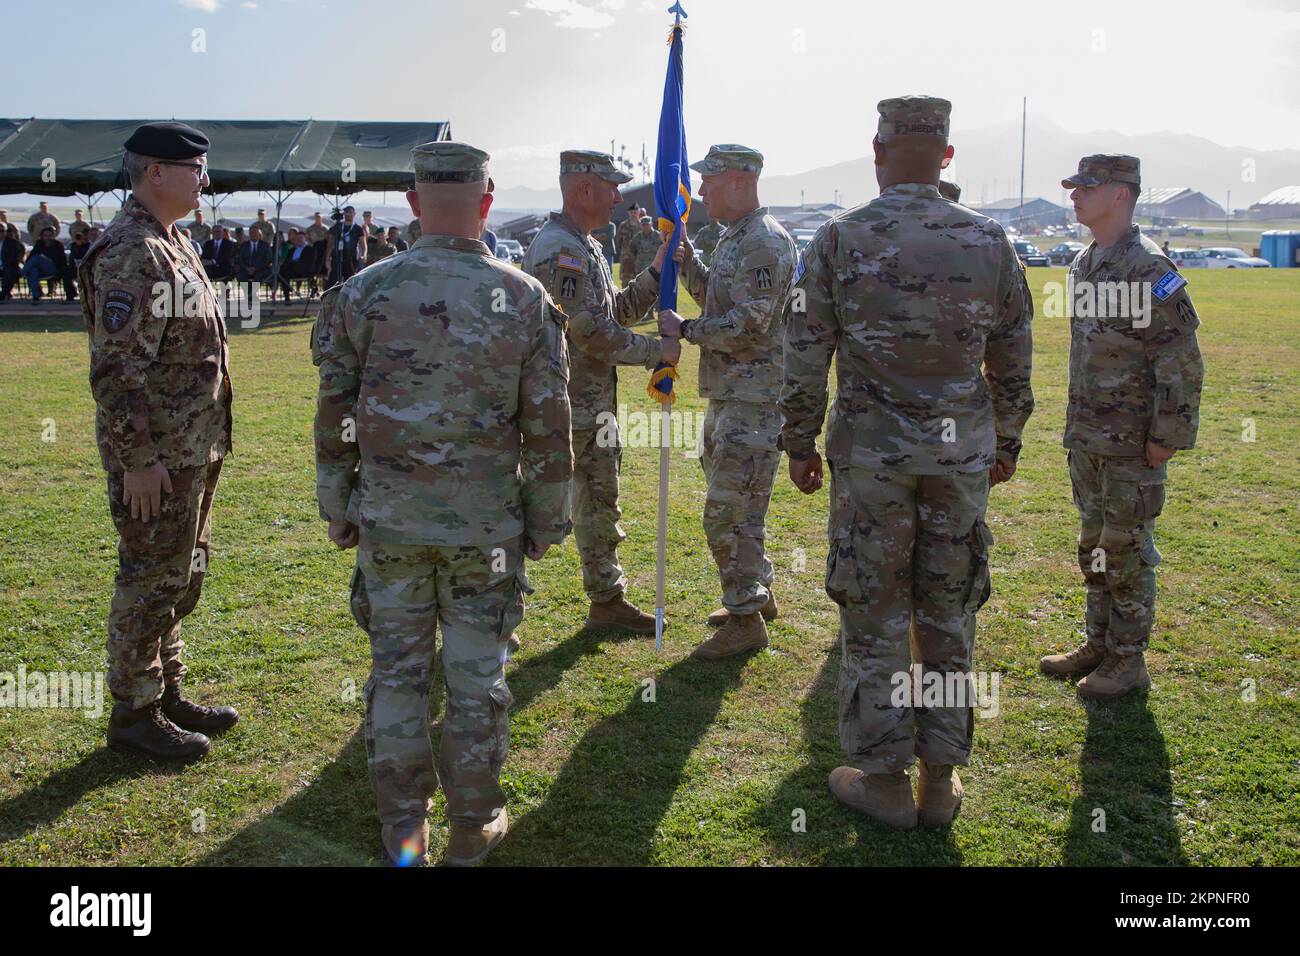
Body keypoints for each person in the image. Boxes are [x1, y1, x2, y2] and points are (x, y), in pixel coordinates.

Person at [313, 141, 571, 866]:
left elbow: (335, 410)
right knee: (475, 674)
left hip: (390, 522)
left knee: (397, 676)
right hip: (485, 528)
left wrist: (337, 498)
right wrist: (549, 517)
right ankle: (471, 826)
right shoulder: (522, 297)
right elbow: (550, 425)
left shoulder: (363, 292)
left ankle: (404, 829)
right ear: (487, 202)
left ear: (415, 202)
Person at [780, 96, 1034, 829]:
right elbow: (1014, 355)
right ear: (947, 155)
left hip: (872, 459)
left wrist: (799, 441)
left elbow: (804, 353)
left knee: (877, 611)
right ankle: (939, 779)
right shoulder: (990, 241)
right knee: (949, 613)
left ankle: (886, 781)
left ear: (878, 151)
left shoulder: (839, 239)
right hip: (959, 461)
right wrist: (1006, 439)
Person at [77, 121, 238, 762]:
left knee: (179, 573)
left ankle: (165, 689)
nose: (204, 181)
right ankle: (134, 714)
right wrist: (139, 462)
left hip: (192, 447)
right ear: (155, 174)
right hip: (158, 458)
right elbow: (117, 374)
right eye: (195, 170)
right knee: (150, 576)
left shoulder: (171, 242)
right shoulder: (130, 253)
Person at [1039, 155, 1203, 700]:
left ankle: (1129, 661)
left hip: (1134, 440)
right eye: (1074, 187)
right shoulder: (1086, 261)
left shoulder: (1148, 267)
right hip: (1088, 435)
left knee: (1127, 547)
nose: (1075, 195)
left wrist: (1168, 433)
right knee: (1095, 543)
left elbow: (1179, 358)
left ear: (1121, 194)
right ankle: (1099, 645)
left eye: (1087, 187)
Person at [522, 150, 677, 633]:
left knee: (600, 505)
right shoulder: (558, 251)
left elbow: (614, 314)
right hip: (564, 411)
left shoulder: (585, 245)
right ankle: (491, 617)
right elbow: (588, 332)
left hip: (592, 408)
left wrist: (655, 271)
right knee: (536, 513)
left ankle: (607, 599)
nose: (618, 196)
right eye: (610, 187)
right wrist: (658, 352)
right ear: (583, 189)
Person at [657, 144, 796, 659]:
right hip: (731, 396)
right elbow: (721, 301)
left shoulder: (762, 241)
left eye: (710, 181)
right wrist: (688, 263)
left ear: (739, 181)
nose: (702, 191)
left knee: (725, 512)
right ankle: (756, 596)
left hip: (754, 400)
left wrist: (687, 330)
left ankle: (744, 618)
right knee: (741, 510)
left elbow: (750, 321)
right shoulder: (736, 238)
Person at [22, 226, 74, 302]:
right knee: (33, 270)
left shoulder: (58, 245)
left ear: (53, 236)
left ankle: (22, 272)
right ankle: (36, 296)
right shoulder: (39, 245)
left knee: (37, 258)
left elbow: (62, 261)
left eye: (50, 235)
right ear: (42, 237)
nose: (48, 238)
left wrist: (48, 259)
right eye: (45, 236)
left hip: (53, 269)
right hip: (40, 269)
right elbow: (29, 259)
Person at [326, 206, 366, 284]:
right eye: (346, 212)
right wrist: (327, 258)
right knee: (334, 279)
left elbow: (363, 244)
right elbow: (330, 244)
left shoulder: (358, 228)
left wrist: (364, 254)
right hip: (337, 256)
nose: (348, 214)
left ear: (354, 214)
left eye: (350, 212)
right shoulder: (337, 227)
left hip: (351, 256)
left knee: (350, 279)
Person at [235, 224, 273, 289]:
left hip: (260, 269)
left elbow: (268, 260)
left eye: (255, 232)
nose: (253, 234)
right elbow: (241, 260)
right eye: (251, 233)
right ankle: (249, 295)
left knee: (258, 277)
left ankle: (252, 295)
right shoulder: (244, 245)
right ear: (249, 234)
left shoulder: (265, 245)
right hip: (247, 269)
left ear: (259, 234)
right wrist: (247, 268)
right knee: (240, 276)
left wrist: (256, 268)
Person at [615, 204, 640, 285]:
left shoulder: (643, 226)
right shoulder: (623, 225)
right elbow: (619, 241)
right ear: (628, 213)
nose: (633, 214)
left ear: (638, 212)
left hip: (640, 259)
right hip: (626, 260)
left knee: (641, 283)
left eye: (635, 212)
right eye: (631, 212)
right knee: (626, 283)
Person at [0, 223, 26, 300]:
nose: (0, 233)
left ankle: (3, 294)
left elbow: (16, 258)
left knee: (9, 271)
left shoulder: (14, 244)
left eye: (1, 231)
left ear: (6, 232)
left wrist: (4, 265)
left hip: (8, 267)